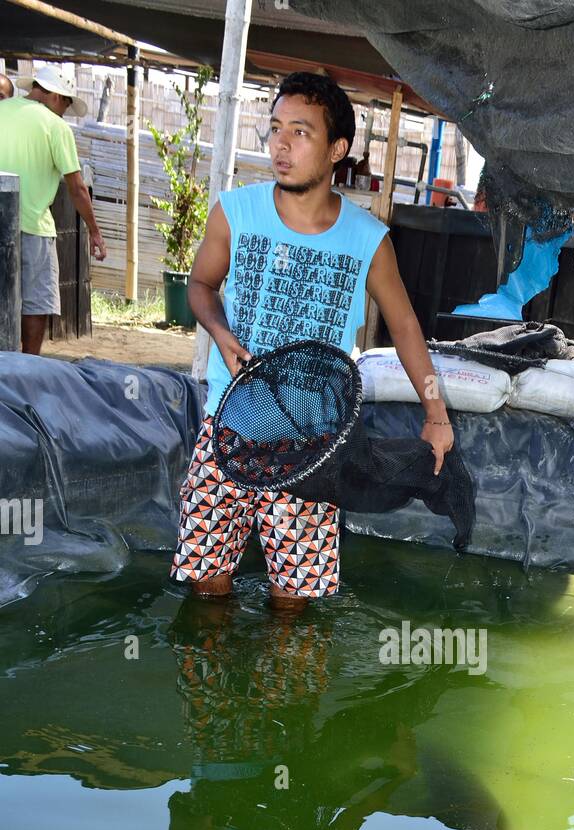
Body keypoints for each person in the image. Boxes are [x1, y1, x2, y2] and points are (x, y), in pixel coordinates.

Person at [171, 70, 455, 614]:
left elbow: (406, 328)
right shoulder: (235, 212)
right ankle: (211, 688)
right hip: (228, 429)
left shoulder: (368, 240)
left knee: (292, 606)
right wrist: (222, 333)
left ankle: (279, 696)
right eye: (275, 128)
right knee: (207, 590)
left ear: (337, 149)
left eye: (300, 132)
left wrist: (436, 416)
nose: (281, 144)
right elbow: (201, 286)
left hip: (312, 445)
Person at [0, 65, 107, 353]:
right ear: (58, 97)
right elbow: (77, 188)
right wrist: (94, 232)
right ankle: (27, 369)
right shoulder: (56, 127)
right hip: (33, 227)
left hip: (0, 223)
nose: (64, 112)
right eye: (67, 105)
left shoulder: (3, 110)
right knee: (36, 303)